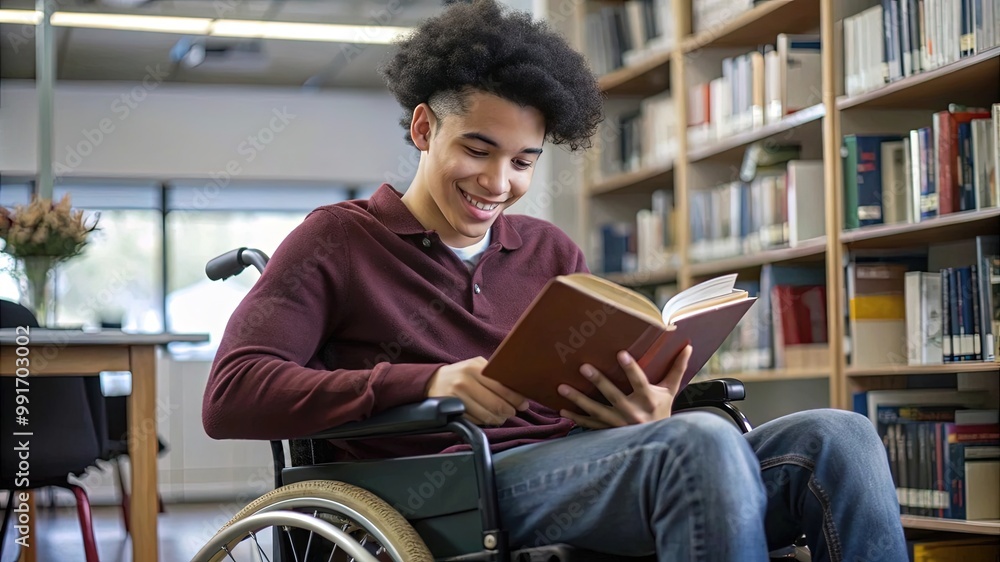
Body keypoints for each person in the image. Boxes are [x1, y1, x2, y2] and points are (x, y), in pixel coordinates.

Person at [203, 1, 908, 560]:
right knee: (698, 442)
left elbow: (580, 396)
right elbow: (231, 396)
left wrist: (635, 408)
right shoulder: (339, 238)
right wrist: (426, 380)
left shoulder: (548, 249)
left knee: (839, 436)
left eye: (522, 161)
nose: (497, 182)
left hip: (580, 465)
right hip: (443, 486)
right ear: (423, 128)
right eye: (477, 149)